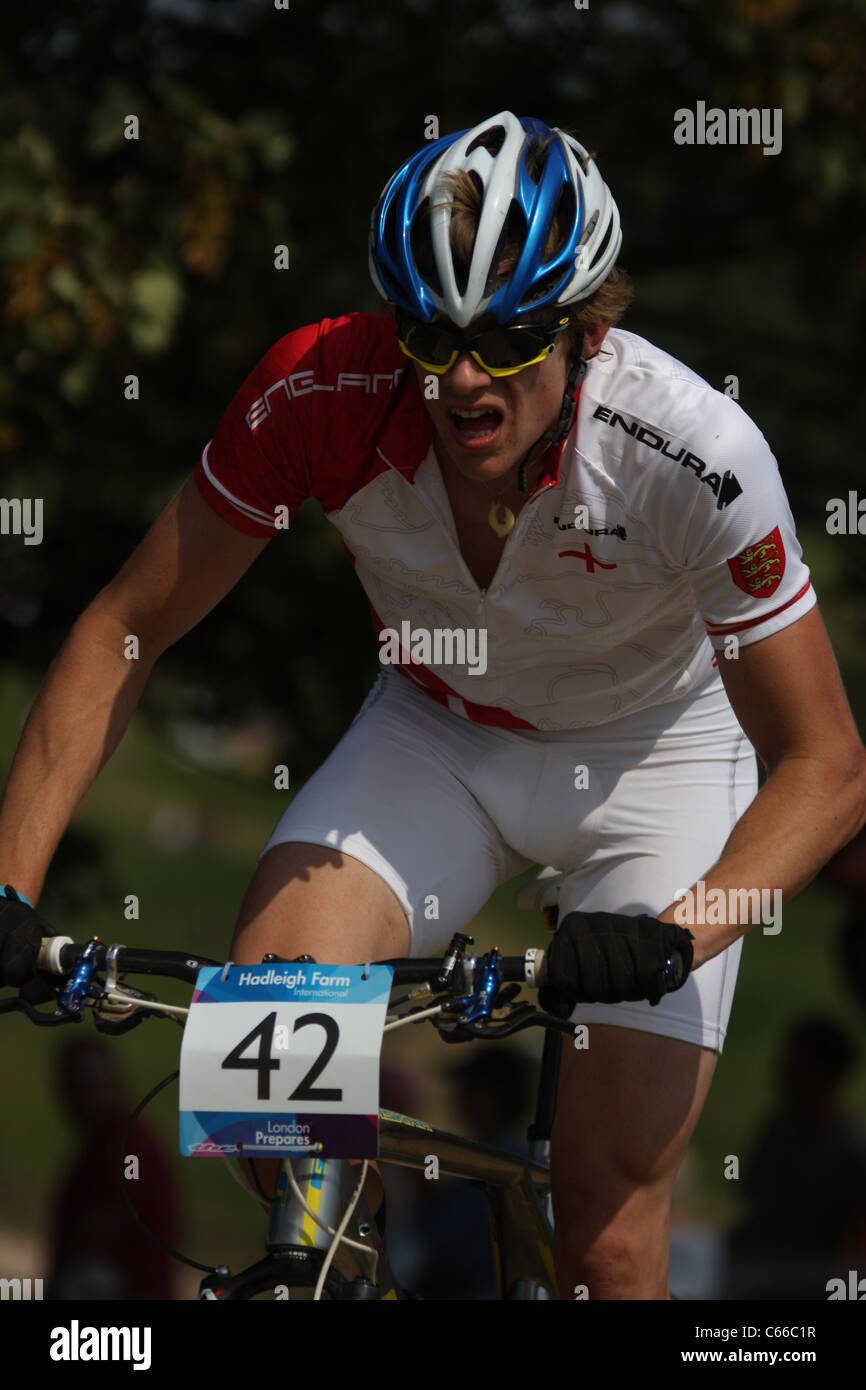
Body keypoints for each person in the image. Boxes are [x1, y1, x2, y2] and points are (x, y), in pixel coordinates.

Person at [1, 111, 865, 1300]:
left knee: (606, 1237)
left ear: (584, 324)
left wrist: (679, 933)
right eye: (429, 334)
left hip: (657, 761)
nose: (460, 379)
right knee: (262, 1107)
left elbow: (824, 765)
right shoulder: (320, 390)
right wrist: (8, 886)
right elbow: (125, 626)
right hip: (437, 733)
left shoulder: (691, 452)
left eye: (505, 341)